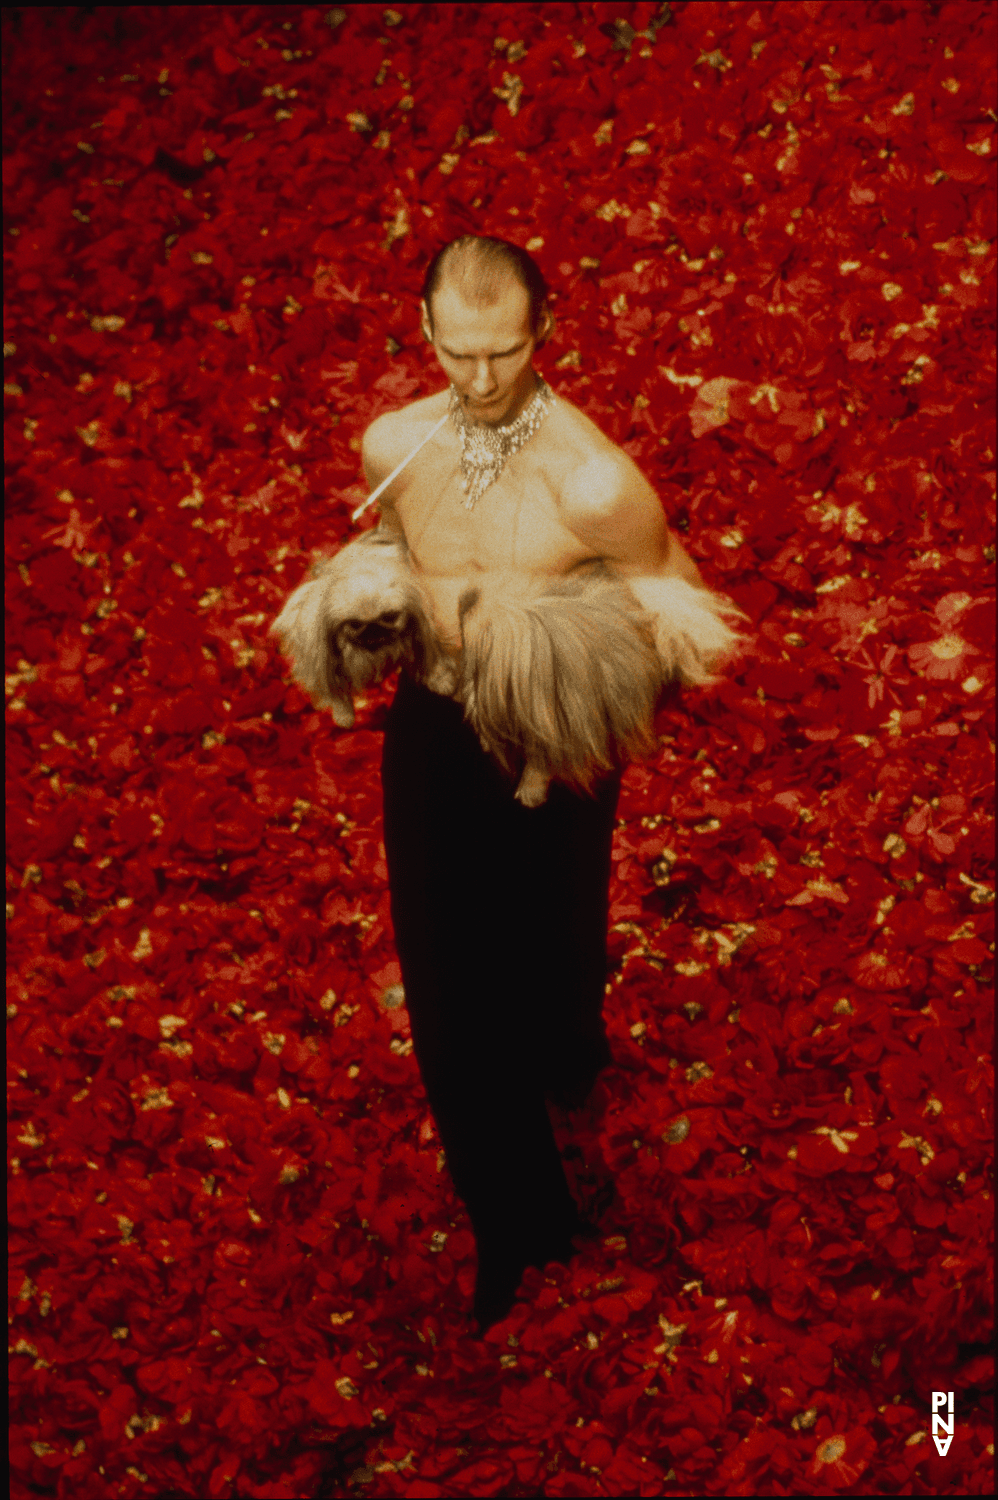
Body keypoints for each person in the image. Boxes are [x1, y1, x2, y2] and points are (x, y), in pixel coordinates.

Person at [361, 235, 706, 1334]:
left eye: (503, 352)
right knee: (449, 994)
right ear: (424, 332)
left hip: (554, 731)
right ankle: (521, 1226)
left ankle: (568, 1047)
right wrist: (362, 611)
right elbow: (398, 560)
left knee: (551, 949)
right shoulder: (392, 445)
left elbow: (684, 614)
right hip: (433, 722)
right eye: (456, 352)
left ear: (544, 331)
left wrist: (577, 690)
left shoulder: (594, 483)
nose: (478, 379)